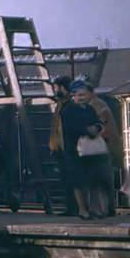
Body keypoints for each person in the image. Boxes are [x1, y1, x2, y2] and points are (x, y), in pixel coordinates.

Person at [61, 80, 111, 219]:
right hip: (74, 150)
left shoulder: (89, 109)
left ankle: (94, 209)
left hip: (91, 151)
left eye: (84, 94)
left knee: (92, 180)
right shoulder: (67, 110)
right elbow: (70, 128)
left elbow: (98, 122)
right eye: (79, 95)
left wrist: (97, 127)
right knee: (78, 181)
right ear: (73, 95)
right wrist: (87, 130)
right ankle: (82, 209)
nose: (82, 97)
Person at [48, 75, 78, 215]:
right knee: (65, 180)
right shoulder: (61, 105)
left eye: (56, 88)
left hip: (68, 149)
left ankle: (74, 208)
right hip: (61, 149)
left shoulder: (69, 106)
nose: (54, 91)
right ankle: (71, 207)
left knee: (70, 180)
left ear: (63, 88)